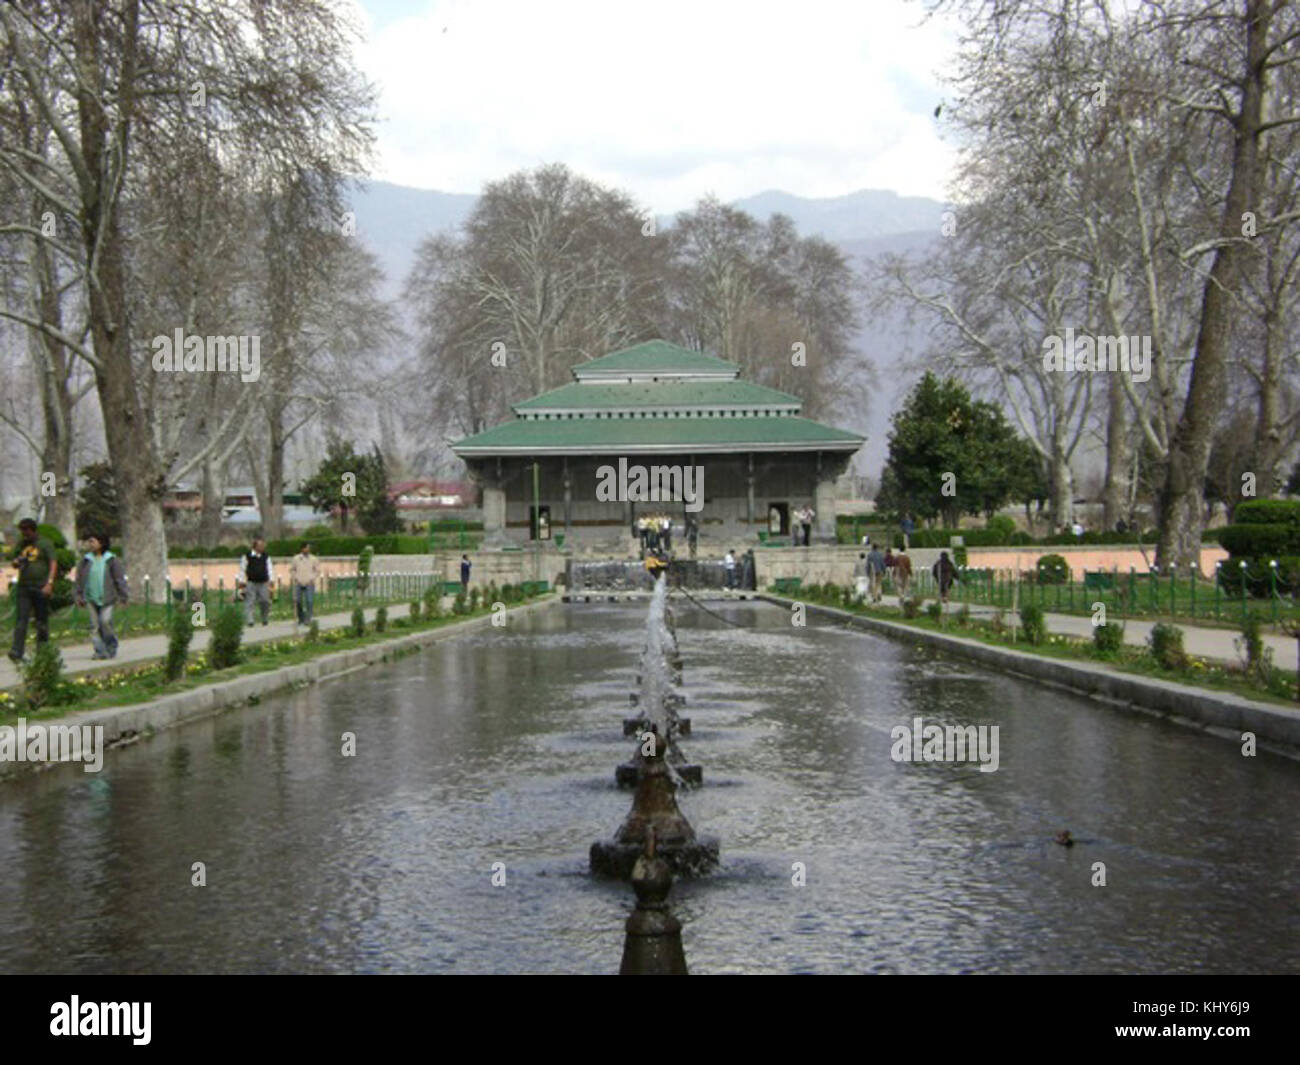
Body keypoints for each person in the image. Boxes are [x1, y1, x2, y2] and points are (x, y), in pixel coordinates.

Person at [7, 518, 57, 664]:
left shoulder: (45, 543)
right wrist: (16, 562)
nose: (25, 535)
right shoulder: (22, 544)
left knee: (41, 621)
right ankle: (17, 651)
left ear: (33, 530)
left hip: (41, 586)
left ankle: (42, 651)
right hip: (24, 587)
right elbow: (15, 560)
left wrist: (50, 583)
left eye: (27, 532)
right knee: (21, 620)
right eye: (23, 532)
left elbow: (53, 563)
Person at [74, 533, 129, 659]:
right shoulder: (86, 560)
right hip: (90, 598)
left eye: (93, 541)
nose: (90, 544)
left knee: (105, 622)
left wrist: (123, 596)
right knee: (94, 626)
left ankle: (111, 645)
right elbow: (79, 579)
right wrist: (78, 595)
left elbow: (119, 579)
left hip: (107, 598)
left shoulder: (111, 560)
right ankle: (99, 651)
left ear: (101, 543)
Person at [238, 537, 274, 627]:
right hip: (251, 582)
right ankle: (250, 620)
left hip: (263, 582)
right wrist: (242, 581)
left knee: (265, 601)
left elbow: (270, 568)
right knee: (250, 601)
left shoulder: (266, 556)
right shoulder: (247, 556)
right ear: (255, 546)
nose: (262, 547)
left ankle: (264, 618)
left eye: (263, 545)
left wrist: (271, 579)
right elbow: (242, 569)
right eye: (260, 545)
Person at [289, 542, 319, 627]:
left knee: (309, 601)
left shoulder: (313, 559)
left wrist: (312, 578)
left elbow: (317, 570)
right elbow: (292, 570)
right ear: (302, 549)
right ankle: (301, 617)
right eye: (306, 548)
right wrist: (295, 577)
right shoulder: (296, 558)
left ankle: (308, 618)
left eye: (309, 548)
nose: (308, 549)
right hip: (298, 582)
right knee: (297, 601)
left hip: (309, 582)